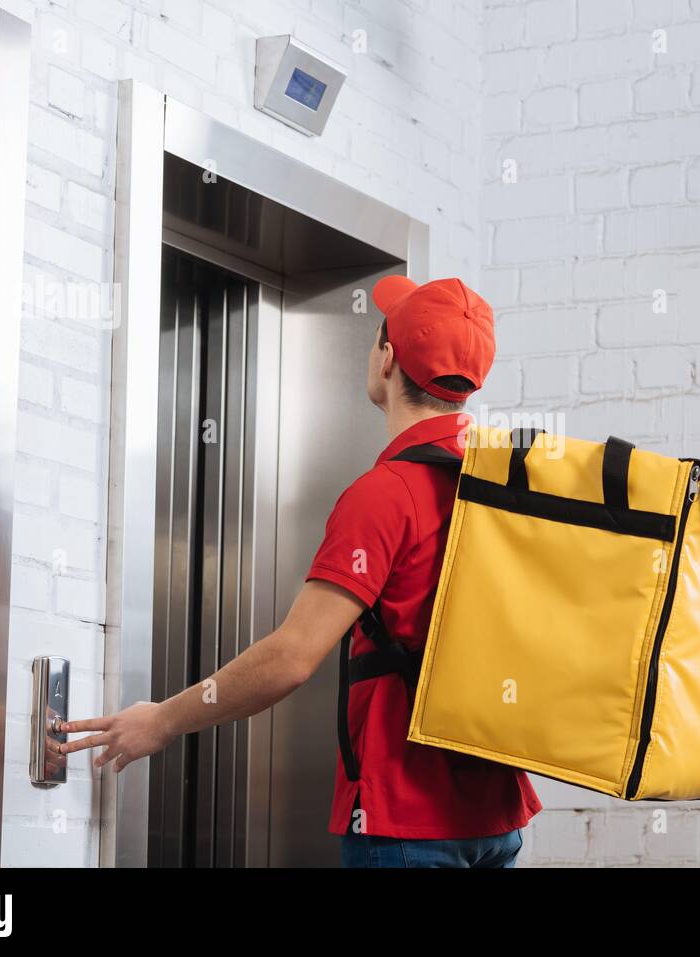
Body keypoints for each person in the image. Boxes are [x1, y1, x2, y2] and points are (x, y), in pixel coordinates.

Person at [61, 275, 541, 867]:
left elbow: (292, 658)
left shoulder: (387, 494)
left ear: (386, 359)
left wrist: (162, 719)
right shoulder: (503, 485)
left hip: (405, 824)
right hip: (497, 817)